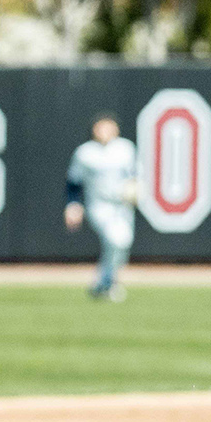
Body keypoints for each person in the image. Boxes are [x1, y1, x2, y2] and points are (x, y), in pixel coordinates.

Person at [63, 113, 139, 302]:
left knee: (122, 244)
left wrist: (135, 190)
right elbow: (73, 182)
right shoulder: (85, 153)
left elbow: (136, 175)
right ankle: (107, 282)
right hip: (99, 205)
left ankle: (104, 283)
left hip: (122, 206)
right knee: (116, 240)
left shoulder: (125, 148)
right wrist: (73, 204)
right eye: (101, 127)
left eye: (109, 127)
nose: (105, 132)